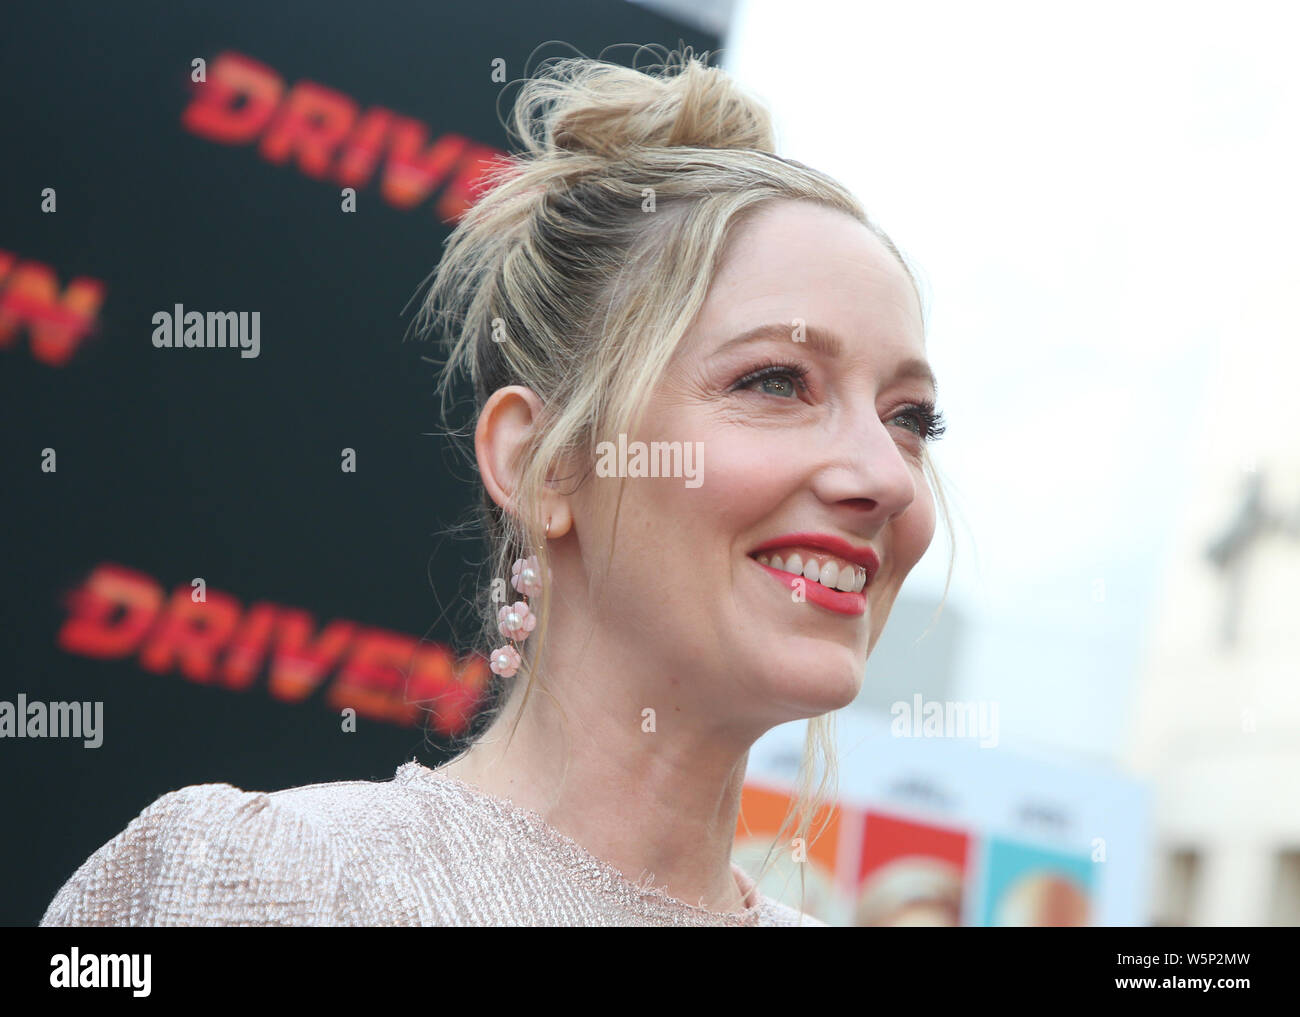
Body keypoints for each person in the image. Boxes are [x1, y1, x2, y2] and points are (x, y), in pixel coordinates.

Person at [40, 45, 952, 927]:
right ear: (541, 460)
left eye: (910, 418)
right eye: (777, 382)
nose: (884, 477)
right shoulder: (241, 886)